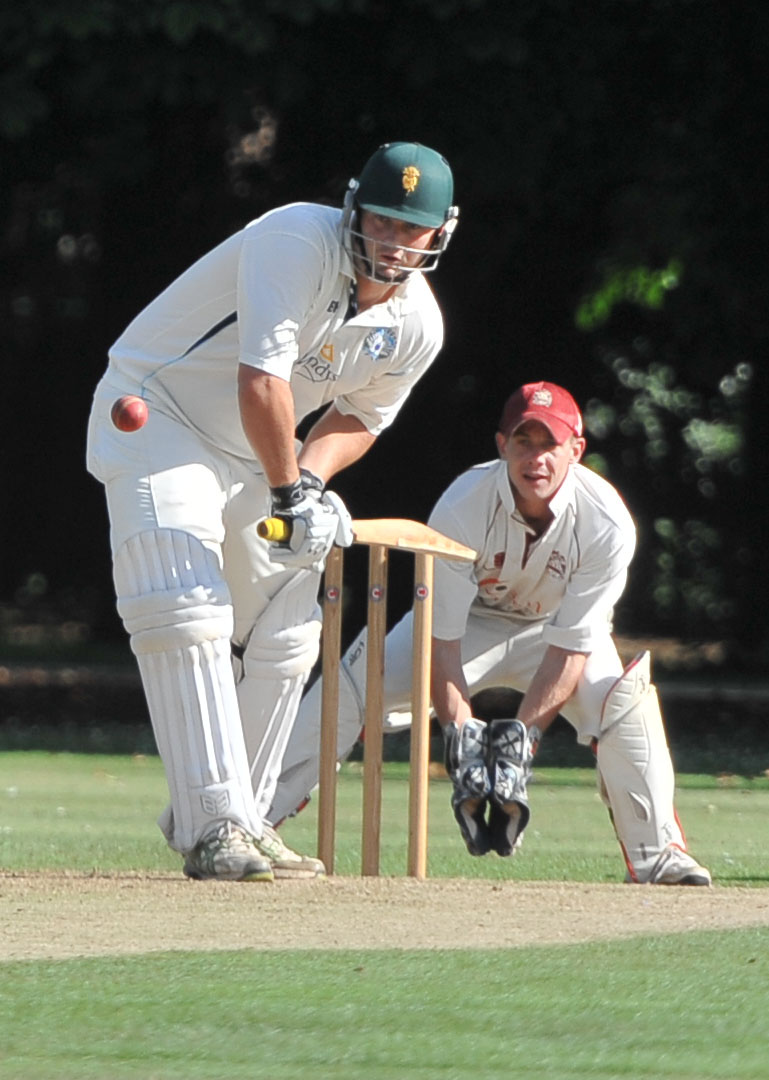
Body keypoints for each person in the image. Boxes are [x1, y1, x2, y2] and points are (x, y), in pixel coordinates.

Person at [86, 141, 459, 882]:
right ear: (353, 209)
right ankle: (213, 824)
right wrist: (292, 492)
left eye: (406, 227)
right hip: (158, 416)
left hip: (260, 454)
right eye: (378, 220)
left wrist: (311, 485)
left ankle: (242, 818)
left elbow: (360, 417)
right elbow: (263, 380)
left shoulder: (418, 326)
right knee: (183, 601)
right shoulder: (295, 239)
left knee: (292, 619)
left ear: (439, 232)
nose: (388, 239)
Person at [268, 381, 712, 886]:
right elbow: (442, 638)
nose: (536, 457)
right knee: (351, 687)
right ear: (502, 446)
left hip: (553, 631)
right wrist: (459, 732)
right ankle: (253, 822)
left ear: (576, 451)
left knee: (621, 699)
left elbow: (571, 645)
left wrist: (520, 742)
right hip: (469, 623)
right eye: (524, 441)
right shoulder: (465, 503)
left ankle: (660, 855)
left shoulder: (607, 523)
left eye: (550, 443)